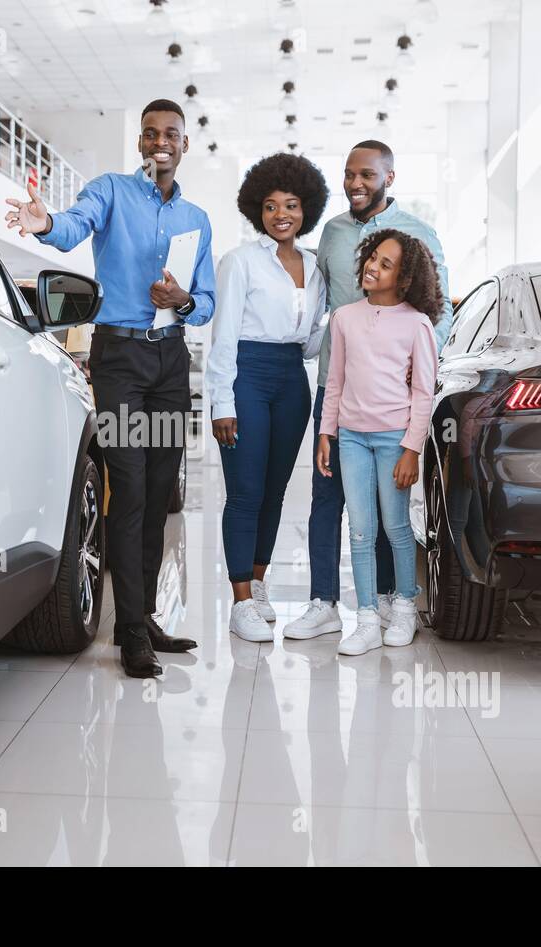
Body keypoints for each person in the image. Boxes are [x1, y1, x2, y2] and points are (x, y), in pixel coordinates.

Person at [4, 99, 215, 678]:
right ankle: (128, 633)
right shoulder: (110, 191)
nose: (160, 142)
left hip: (170, 362)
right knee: (130, 487)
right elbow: (71, 226)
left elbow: (208, 300)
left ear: (185, 145)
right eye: (150, 134)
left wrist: (185, 302)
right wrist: (42, 223)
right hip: (120, 359)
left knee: (159, 492)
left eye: (171, 134)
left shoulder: (197, 218)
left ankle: (142, 618)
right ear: (141, 143)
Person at [285, 139, 455, 641]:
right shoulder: (333, 234)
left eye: (366, 175)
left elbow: (437, 311)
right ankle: (324, 602)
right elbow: (320, 306)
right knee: (326, 498)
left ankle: (387, 599)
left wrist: (413, 369)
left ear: (389, 178)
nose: (355, 184)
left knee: (387, 510)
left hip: (391, 400)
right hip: (336, 390)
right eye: (349, 174)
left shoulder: (419, 235)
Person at [206, 153, 329, 642]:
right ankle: (239, 601)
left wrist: (340, 321)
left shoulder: (316, 267)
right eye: (273, 205)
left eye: (293, 205)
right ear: (258, 208)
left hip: (291, 379)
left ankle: (258, 583)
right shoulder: (240, 262)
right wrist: (222, 403)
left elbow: (310, 340)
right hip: (246, 377)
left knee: (275, 492)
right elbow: (224, 337)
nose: (282, 214)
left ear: (306, 210)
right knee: (246, 492)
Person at [316, 228, 441, 653]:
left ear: (404, 278)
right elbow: (335, 381)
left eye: (386, 264)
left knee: (396, 526)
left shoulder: (417, 324)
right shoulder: (344, 318)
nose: (373, 265)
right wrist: (326, 432)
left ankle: (404, 607)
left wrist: (412, 449)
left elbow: (424, 390)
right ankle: (367, 617)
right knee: (360, 530)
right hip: (351, 438)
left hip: (393, 440)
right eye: (373, 257)